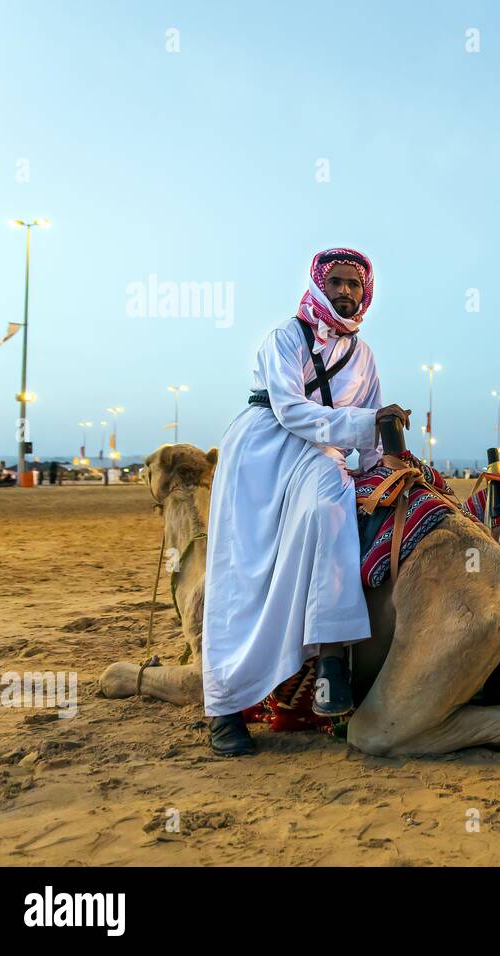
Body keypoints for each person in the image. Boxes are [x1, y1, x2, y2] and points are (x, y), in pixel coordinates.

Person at [201, 248, 408, 757]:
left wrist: (386, 449)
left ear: (366, 292)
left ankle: (333, 659)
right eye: (335, 282)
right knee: (243, 578)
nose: (345, 292)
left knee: (342, 498)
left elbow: (370, 426)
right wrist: (368, 425)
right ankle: (226, 709)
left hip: (324, 451)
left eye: (354, 285)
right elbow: (292, 410)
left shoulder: (364, 355)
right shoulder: (285, 338)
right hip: (266, 451)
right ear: (319, 286)